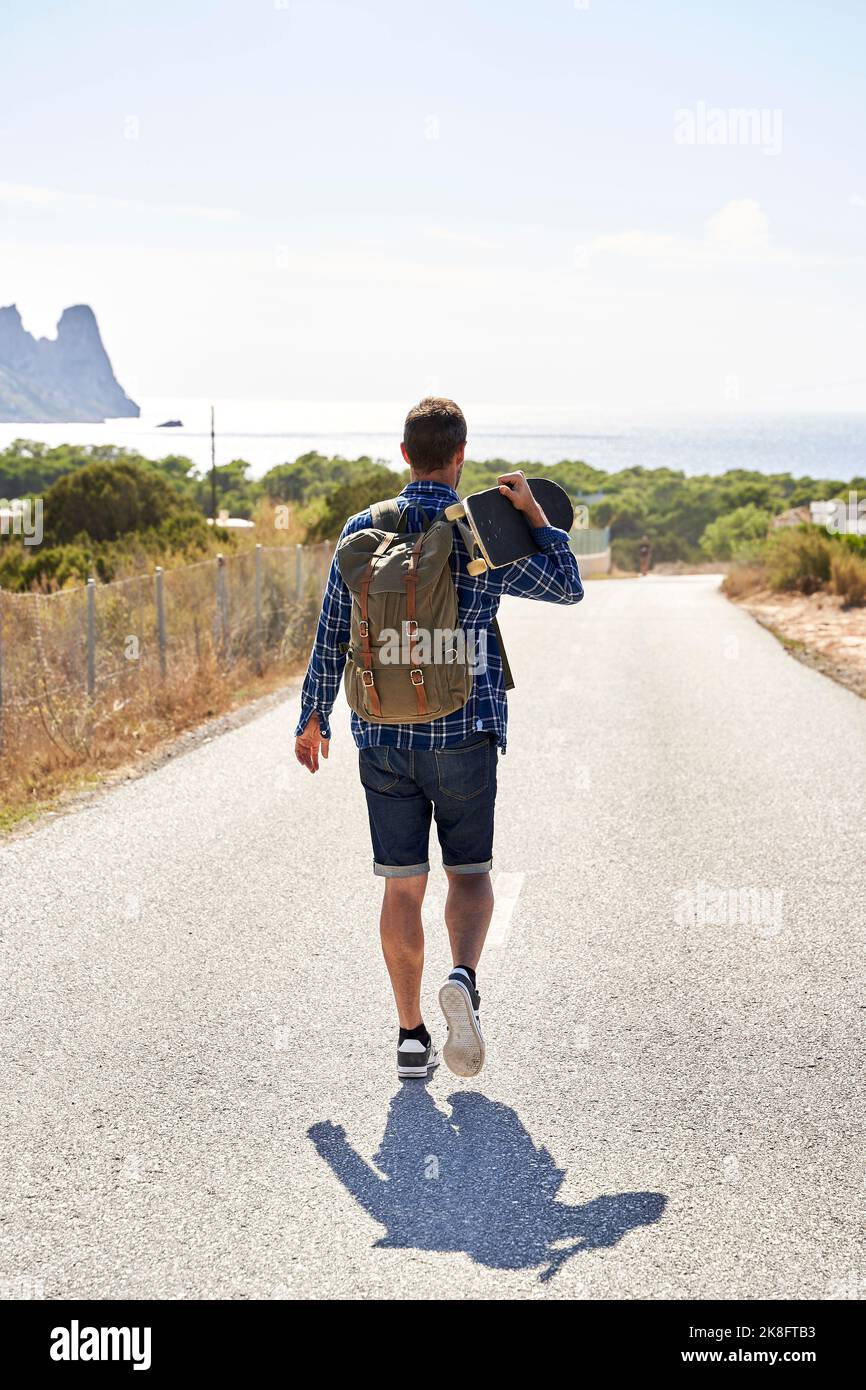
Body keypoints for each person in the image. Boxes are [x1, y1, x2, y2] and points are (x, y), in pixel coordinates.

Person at [295, 398, 583, 1081]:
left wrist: (315, 715)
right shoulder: (481, 533)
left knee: (401, 889)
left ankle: (410, 1037)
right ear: (460, 458)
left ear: (403, 455)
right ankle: (463, 977)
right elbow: (567, 588)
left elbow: (332, 631)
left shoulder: (363, 529)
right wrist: (537, 520)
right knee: (471, 874)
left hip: (382, 735)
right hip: (464, 734)